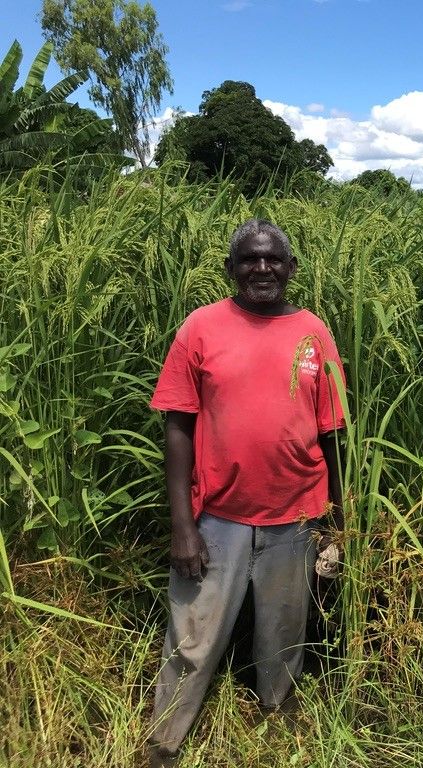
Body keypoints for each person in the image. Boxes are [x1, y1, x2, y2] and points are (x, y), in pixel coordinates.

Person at [146, 219, 346, 764]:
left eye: (274, 259)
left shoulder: (314, 333)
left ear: (291, 269)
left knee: (282, 637)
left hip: (297, 516)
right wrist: (183, 524)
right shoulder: (200, 327)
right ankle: (164, 743)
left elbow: (333, 431)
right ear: (230, 269)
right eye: (250, 260)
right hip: (216, 518)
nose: (263, 268)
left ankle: (275, 729)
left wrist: (339, 518)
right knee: (193, 638)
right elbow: (177, 424)